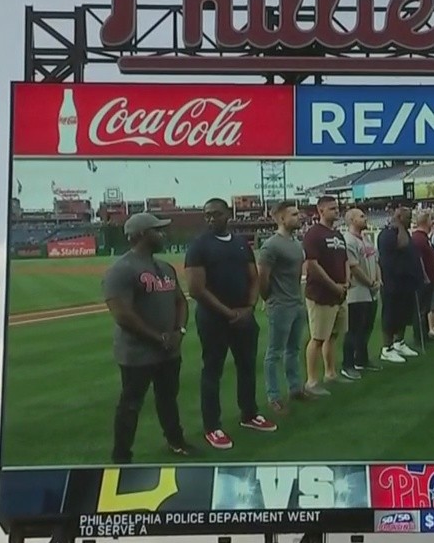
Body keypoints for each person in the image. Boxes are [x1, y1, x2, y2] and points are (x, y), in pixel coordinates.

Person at [185, 198, 277, 451]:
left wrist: (247, 308)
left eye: (216, 214)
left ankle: (249, 414)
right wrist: (228, 313)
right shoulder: (199, 246)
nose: (211, 219)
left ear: (228, 214)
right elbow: (196, 289)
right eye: (207, 215)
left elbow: (253, 277)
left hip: (243, 316)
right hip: (214, 319)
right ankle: (212, 427)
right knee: (212, 371)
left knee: (247, 366)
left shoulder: (240, 243)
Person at [101, 212, 193, 464]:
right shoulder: (120, 270)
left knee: (168, 399)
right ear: (141, 235)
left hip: (169, 350)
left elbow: (180, 302)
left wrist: (179, 333)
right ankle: (121, 456)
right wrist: (158, 337)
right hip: (136, 353)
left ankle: (176, 441)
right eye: (157, 230)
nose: (163, 234)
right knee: (130, 405)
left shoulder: (165, 267)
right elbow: (122, 315)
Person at [257, 200, 311, 414]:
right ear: (281, 219)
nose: (300, 217)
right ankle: (273, 396)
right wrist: (270, 299)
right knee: (274, 353)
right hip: (281, 305)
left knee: (293, 350)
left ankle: (295, 388)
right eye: (294, 214)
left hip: (296, 303)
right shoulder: (271, 245)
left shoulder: (296, 243)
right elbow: (263, 277)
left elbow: (297, 274)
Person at [303, 196, 357, 391]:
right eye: (332, 208)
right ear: (321, 210)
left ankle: (330, 373)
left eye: (338, 208)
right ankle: (311, 381)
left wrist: (346, 280)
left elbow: (345, 261)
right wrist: (333, 285)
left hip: (339, 293)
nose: (337, 211)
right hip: (321, 294)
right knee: (317, 338)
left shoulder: (338, 235)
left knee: (332, 336)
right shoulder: (313, 234)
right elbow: (312, 265)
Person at [375, 205, 421, 363]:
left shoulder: (404, 232)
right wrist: (400, 226)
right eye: (408, 218)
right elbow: (402, 245)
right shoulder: (387, 234)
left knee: (403, 314)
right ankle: (387, 348)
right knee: (390, 315)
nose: (410, 221)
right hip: (392, 283)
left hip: (406, 282)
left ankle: (399, 342)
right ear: (400, 218)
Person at [342, 207, 382, 373]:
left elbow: (376, 260)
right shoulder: (349, 240)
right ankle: (348, 364)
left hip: (371, 292)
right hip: (357, 292)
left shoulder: (366, 239)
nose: (365, 218)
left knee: (366, 328)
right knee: (354, 330)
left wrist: (378, 280)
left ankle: (362, 359)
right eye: (361, 216)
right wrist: (370, 282)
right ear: (352, 220)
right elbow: (354, 267)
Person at [410, 211, 434, 339]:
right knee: (421, 310)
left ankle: (425, 333)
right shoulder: (418, 238)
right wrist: (425, 277)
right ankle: (420, 336)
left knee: (426, 308)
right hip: (424, 281)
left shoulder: (424, 237)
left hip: (430, 279)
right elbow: (419, 260)